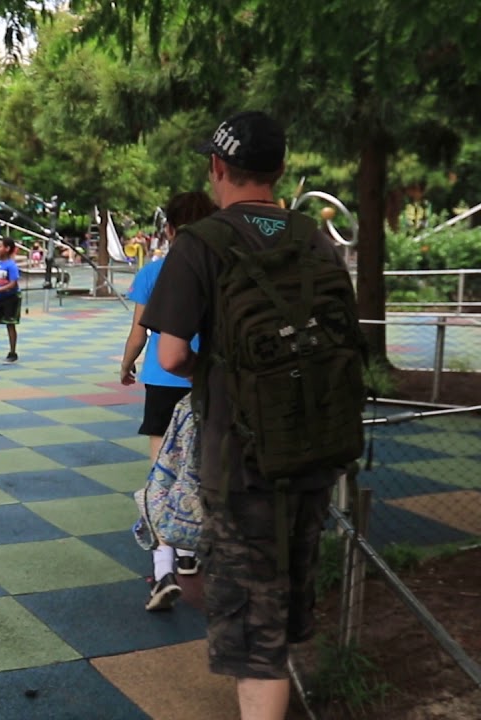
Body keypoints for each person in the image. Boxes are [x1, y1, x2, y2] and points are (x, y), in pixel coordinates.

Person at [142, 111, 361, 720]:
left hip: (240, 461)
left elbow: (173, 354)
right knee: (283, 606)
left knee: (251, 638)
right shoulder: (312, 237)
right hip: (316, 444)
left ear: (217, 168)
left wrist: (232, 377)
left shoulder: (201, 244)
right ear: (280, 170)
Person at [120, 191, 218, 611]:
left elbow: (140, 331)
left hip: (162, 379)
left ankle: (162, 572)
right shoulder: (220, 271)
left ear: (170, 229)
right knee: (204, 470)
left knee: (161, 476)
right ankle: (191, 551)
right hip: (206, 379)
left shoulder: (154, 272)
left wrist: (126, 365)